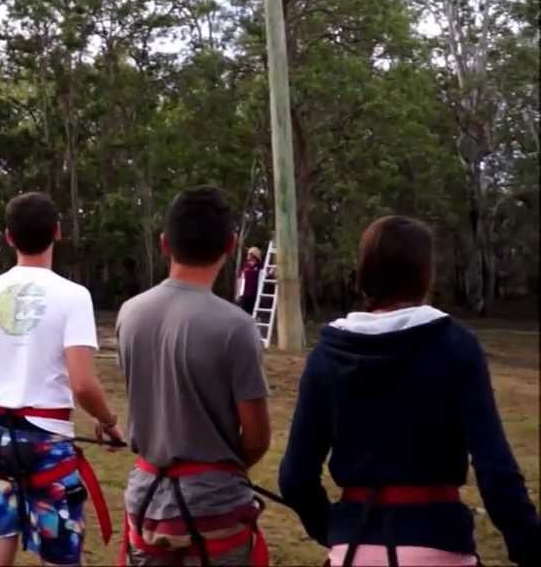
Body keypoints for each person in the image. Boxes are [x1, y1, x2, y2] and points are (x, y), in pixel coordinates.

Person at [279, 216, 539, 567]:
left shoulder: (325, 357)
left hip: (352, 550)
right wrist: (528, 544)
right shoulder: (457, 347)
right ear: (425, 274)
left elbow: (295, 478)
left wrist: (338, 529)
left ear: (364, 272)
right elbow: (496, 470)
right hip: (438, 546)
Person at [0, 191, 124, 567]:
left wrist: (7, 388)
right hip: (48, 441)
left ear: (8, 237)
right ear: (57, 232)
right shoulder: (74, 296)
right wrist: (108, 421)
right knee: (59, 556)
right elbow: (83, 385)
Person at [116, 186, 272, 566]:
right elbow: (256, 438)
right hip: (216, 508)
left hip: (147, 502)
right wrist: (217, 473)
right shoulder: (237, 327)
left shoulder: (130, 313)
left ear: (164, 244)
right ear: (231, 245)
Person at [237, 246, 262, 315]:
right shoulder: (245, 265)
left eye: (249, 254)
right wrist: (238, 294)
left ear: (253, 255)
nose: (247, 255)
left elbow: (265, 274)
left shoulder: (259, 266)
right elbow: (240, 279)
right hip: (244, 294)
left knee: (252, 312)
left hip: (254, 294)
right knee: (243, 312)